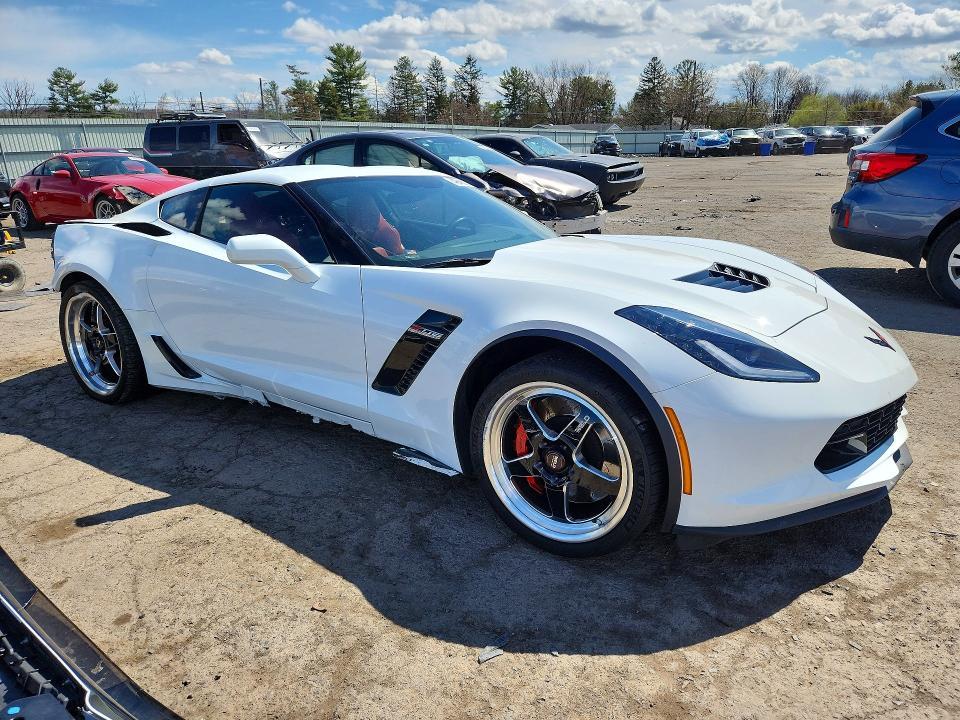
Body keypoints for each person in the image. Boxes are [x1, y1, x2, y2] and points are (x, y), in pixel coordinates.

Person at [344, 193, 405, 257]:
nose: (371, 216)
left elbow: (400, 256)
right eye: (361, 211)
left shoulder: (387, 232)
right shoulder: (345, 232)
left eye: (373, 211)